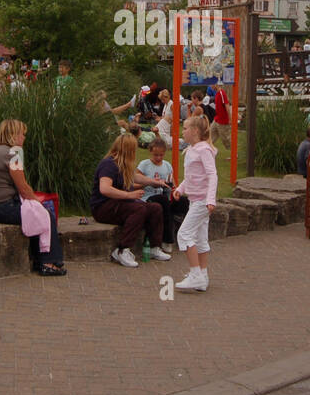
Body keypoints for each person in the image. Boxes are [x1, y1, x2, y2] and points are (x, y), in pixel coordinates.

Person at [0, 120, 65, 275]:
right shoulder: (14, 153)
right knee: (44, 215)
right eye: (23, 134)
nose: (24, 138)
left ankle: (41, 259)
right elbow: (22, 187)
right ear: (14, 135)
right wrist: (37, 201)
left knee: (36, 213)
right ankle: (48, 263)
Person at [91, 134, 168, 267]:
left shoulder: (123, 164)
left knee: (155, 208)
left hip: (118, 204)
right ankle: (122, 250)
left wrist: (155, 182)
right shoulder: (108, 164)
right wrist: (129, 195)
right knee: (139, 209)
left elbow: (136, 178)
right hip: (103, 207)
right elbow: (105, 189)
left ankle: (155, 247)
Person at [173, 115, 218, 292]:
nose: (183, 131)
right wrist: (181, 189)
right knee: (200, 238)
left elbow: (212, 175)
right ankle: (202, 274)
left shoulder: (204, 150)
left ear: (195, 131)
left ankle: (195, 274)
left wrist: (210, 199)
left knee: (184, 234)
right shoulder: (191, 150)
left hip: (201, 202)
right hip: (194, 200)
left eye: (185, 128)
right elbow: (191, 177)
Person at [139, 139, 186, 248]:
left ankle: (187, 235)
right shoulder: (144, 165)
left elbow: (173, 184)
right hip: (148, 197)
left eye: (161, 155)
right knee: (163, 202)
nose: (159, 158)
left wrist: (175, 191)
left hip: (164, 195)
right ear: (150, 151)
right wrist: (150, 183)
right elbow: (134, 184)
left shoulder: (167, 165)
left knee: (184, 201)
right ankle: (167, 240)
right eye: (156, 155)